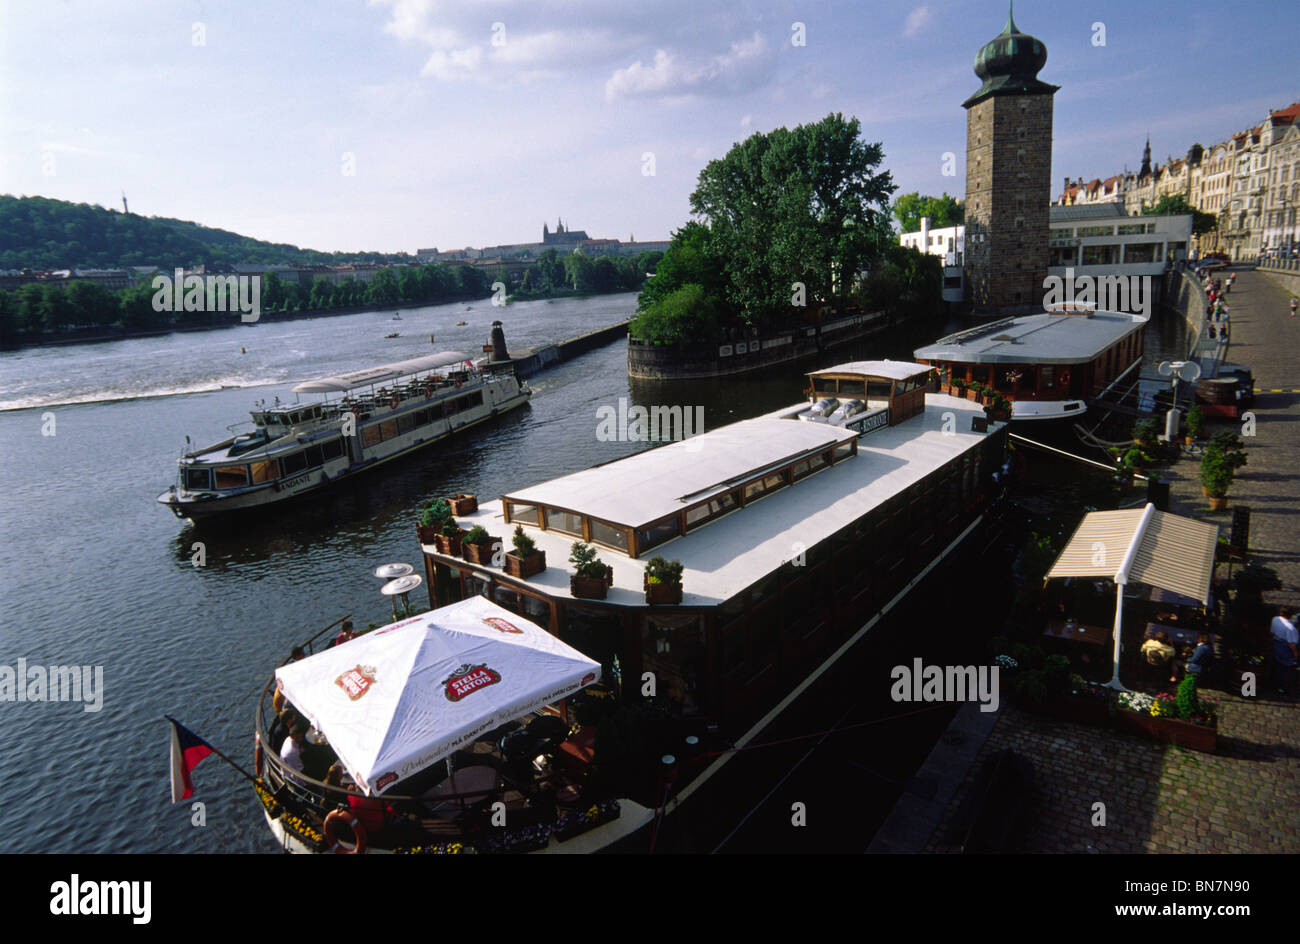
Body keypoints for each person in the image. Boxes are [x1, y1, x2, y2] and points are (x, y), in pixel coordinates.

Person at [1271, 607, 1298, 696]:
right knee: (1286, 667)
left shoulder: (1275, 619)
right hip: (1285, 646)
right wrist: (1295, 654)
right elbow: (1292, 644)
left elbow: (1272, 633)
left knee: (1278, 664)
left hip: (1276, 643)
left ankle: (1275, 683)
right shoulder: (1290, 628)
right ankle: (1282, 687)